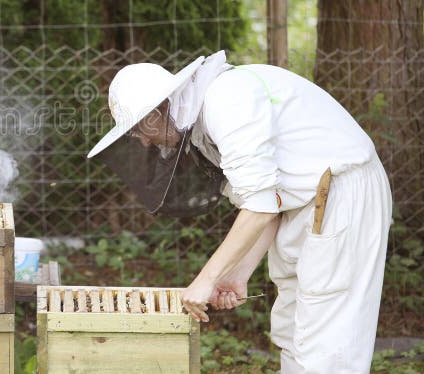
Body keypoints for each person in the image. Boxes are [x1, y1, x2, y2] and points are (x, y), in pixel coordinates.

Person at [88, 50, 392, 373]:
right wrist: (238, 274)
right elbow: (266, 204)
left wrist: (207, 280)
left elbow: (260, 208)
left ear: (156, 111)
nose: (144, 143)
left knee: (327, 347)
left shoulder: (226, 101)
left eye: (137, 131)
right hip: (305, 202)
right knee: (293, 331)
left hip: (342, 192)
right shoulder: (203, 127)